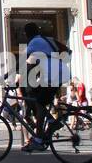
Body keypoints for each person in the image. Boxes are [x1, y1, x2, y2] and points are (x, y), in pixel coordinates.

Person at [22, 22, 70, 151]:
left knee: (38, 102)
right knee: (36, 96)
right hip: (58, 73)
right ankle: (51, 121)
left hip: (52, 75)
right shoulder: (47, 40)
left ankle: (38, 138)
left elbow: (26, 64)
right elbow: (67, 50)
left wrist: (11, 76)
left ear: (27, 34)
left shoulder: (33, 43)